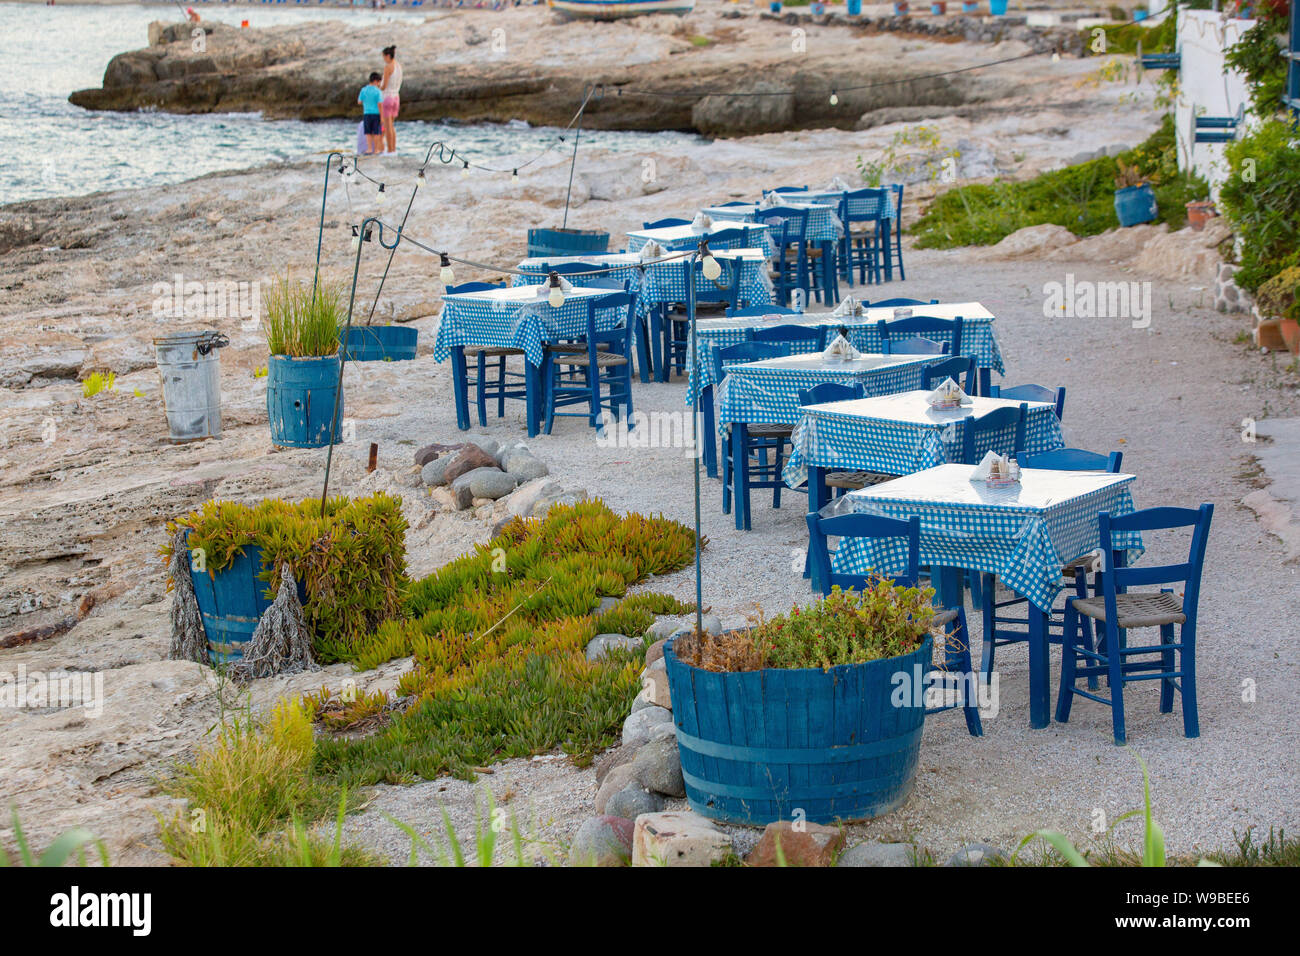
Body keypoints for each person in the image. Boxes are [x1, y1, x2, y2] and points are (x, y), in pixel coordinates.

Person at [379, 46, 402, 156]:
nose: (383, 59)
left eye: (384, 56)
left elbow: (384, 86)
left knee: (388, 127)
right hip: (396, 97)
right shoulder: (398, 66)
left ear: (388, 56)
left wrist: (377, 86)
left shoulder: (388, 67)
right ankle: (393, 149)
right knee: (391, 126)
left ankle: (390, 151)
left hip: (387, 97)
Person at [358, 72, 384, 156]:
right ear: (376, 81)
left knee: (368, 132)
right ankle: (376, 150)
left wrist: (367, 103)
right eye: (379, 82)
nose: (379, 84)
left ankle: (369, 149)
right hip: (376, 114)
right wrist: (382, 116)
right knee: (376, 132)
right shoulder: (378, 91)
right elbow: (380, 104)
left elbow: (359, 101)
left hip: (366, 113)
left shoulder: (363, 90)